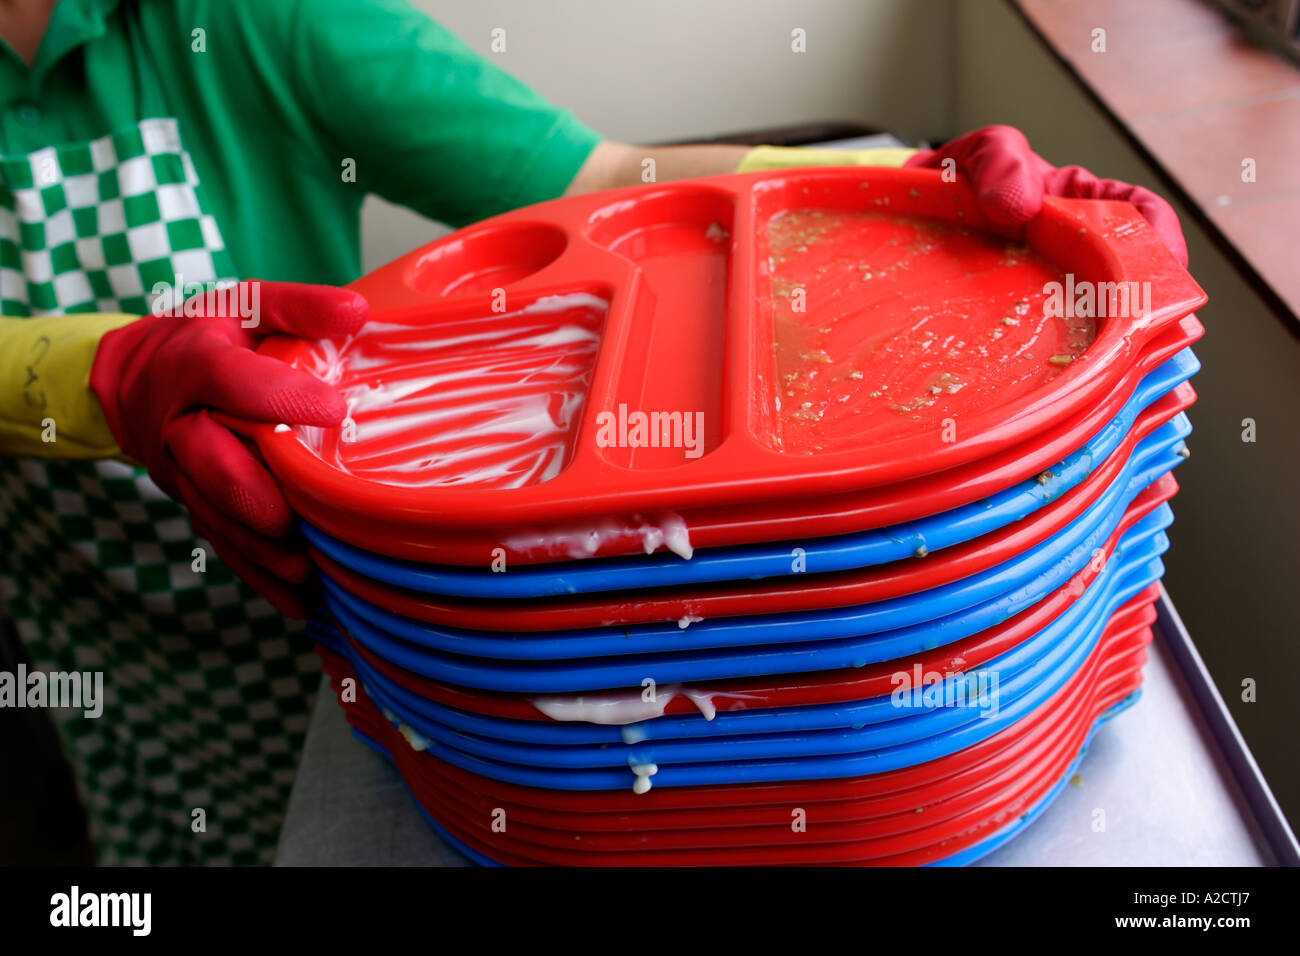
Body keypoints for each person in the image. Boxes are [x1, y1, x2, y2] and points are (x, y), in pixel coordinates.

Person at [0, 0, 1188, 865]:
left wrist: (899, 183)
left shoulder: (245, 18)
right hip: (117, 644)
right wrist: (96, 372)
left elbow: (604, 179)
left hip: (350, 607)